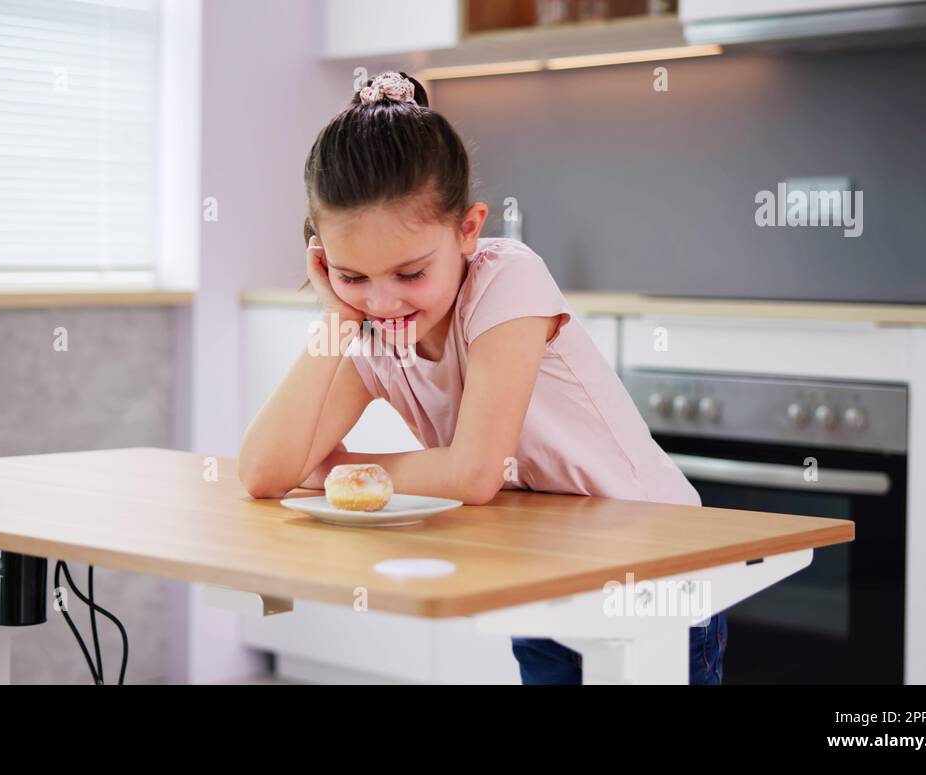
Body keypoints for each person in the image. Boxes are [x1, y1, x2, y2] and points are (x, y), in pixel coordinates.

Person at [237, 71, 726, 684]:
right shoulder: (366, 330)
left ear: (468, 231)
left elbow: (473, 473)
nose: (382, 302)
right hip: (545, 574)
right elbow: (262, 473)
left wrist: (344, 471)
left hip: (654, 564)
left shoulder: (507, 281)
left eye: (410, 273)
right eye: (353, 276)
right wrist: (335, 318)